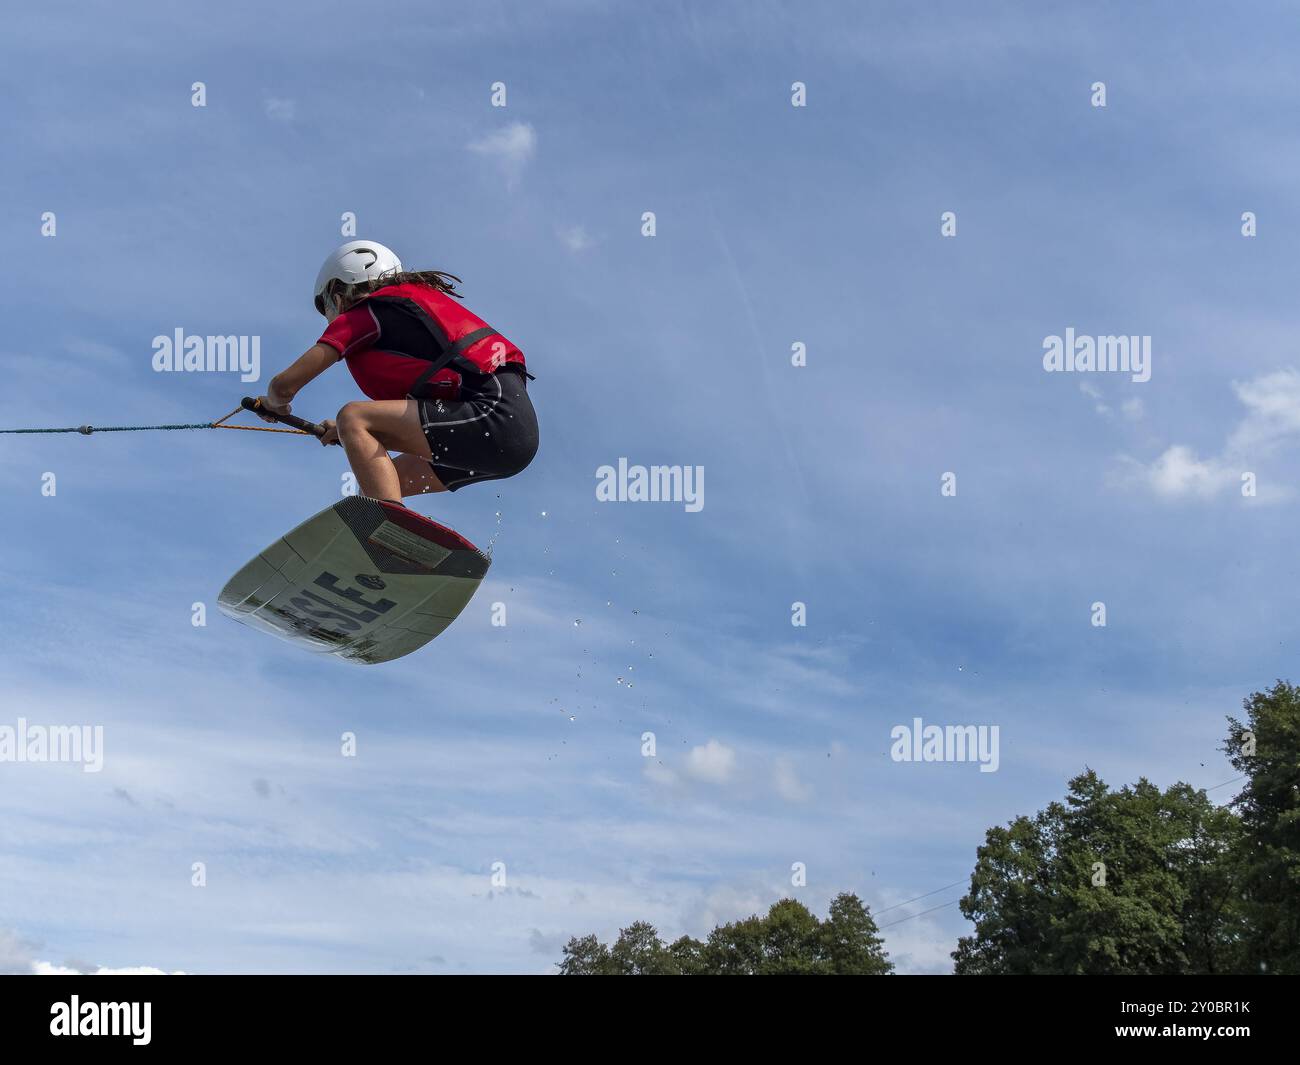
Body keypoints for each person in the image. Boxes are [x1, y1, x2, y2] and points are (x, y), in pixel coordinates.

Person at [257, 239, 537, 503]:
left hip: (493, 416)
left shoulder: (367, 314)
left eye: (328, 305)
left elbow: (285, 386)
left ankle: (390, 532)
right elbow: (416, 415)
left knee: (353, 417)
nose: (331, 315)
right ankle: (391, 547)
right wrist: (348, 435)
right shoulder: (403, 316)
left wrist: (273, 402)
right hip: (512, 436)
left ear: (340, 289)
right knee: (380, 484)